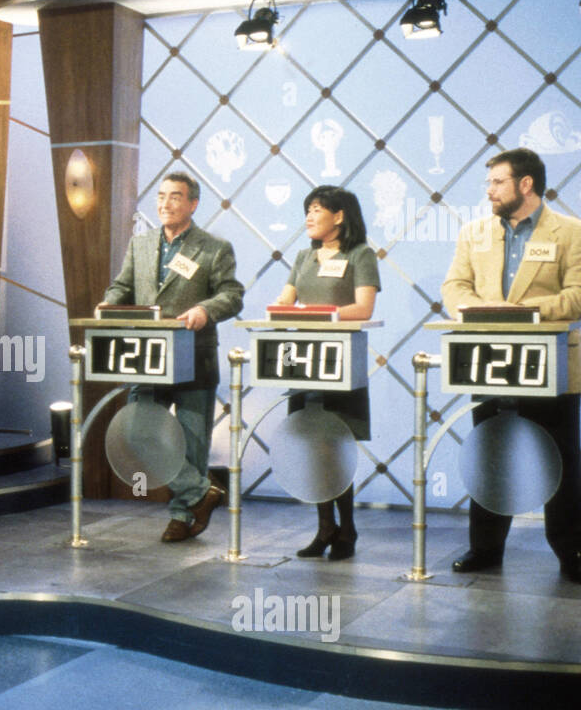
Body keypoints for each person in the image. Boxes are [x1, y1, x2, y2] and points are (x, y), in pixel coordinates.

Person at [441, 147, 581, 585]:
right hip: (488, 362)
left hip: (550, 365)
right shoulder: (473, 233)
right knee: (489, 455)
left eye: (497, 182)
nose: (489, 190)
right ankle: (485, 549)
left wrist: (525, 311)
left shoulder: (575, 232)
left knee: (561, 462)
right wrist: (478, 307)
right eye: (489, 182)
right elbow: (454, 286)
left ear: (525, 184)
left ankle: (573, 555)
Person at [100, 172, 244, 542]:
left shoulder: (214, 247)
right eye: (161, 196)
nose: (165, 203)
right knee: (136, 429)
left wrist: (204, 310)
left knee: (193, 441)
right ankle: (201, 492)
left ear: (193, 204)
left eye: (175, 197)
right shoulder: (141, 244)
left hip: (194, 355)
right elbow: (122, 285)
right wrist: (111, 303)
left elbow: (232, 294)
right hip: (148, 354)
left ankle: (182, 515)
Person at [272, 186, 379, 559]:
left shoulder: (361, 254)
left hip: (341, 358)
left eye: (317, 209)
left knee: (336, 443)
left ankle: (347, 528)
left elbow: (363, 308)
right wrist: (285, 309)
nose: (309, 216)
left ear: (339, 215)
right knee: (312, 443)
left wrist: (319, 313)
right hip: (303, 356)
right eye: (307, 210)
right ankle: (325, 527)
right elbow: (286, 300)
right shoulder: (303, 256)